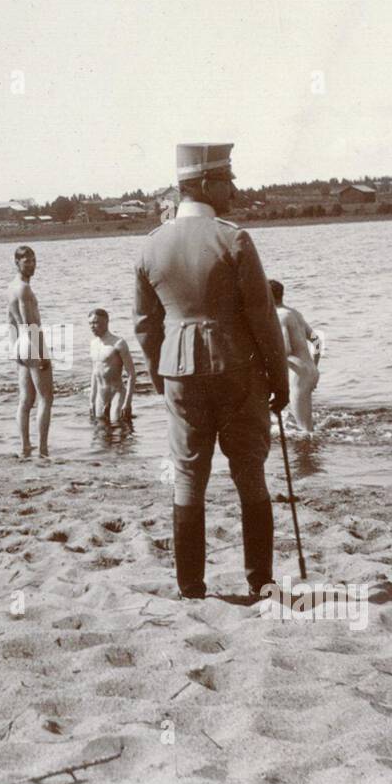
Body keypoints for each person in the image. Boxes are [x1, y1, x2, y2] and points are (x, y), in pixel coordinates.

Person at [134, 142, 290, 600]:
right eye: (227, 181)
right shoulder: (234, 238)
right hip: (237, 369)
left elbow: (146, 326)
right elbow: (262, 318)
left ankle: (191, 587)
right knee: (250, 474)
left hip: (179, 375)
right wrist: (279, 381)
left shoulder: (151, 246)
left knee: (188, 478)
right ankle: (260, 581)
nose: (235, 191)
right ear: (205, 184)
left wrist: (162, 380)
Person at [7, 245, 53, 457]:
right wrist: (42, 354)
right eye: (27, 262)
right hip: (31, 342)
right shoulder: (24, 289)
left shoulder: (12, 287)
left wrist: (15, 348)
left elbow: (11, 321)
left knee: (25, 399)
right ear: (17, 263)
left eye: (34, 260)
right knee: (45, 398)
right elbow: (29, 324)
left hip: (20, 344)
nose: (32, 265)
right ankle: (43, 449)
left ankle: (25, 445)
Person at [269, 280, 323, 435]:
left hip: (298, 376)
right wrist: (314, 367)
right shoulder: (294, 313)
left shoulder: (279, 316)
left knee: (305, 432)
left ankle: (308, 456)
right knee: (307, 425)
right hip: (311, 371)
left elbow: (285, 350)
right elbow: (317, 341)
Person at [87, 308, 134, 423]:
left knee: (117, 424)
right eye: (90, 323)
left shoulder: (118, 343)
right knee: (100, 428)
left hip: (116, 392)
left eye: (95, 322)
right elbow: (94, 373)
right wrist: (91, 400)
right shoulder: (93, 344)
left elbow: (131, 374)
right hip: (100, 394)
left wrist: (127, 402)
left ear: (106, 322)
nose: (92, 326)